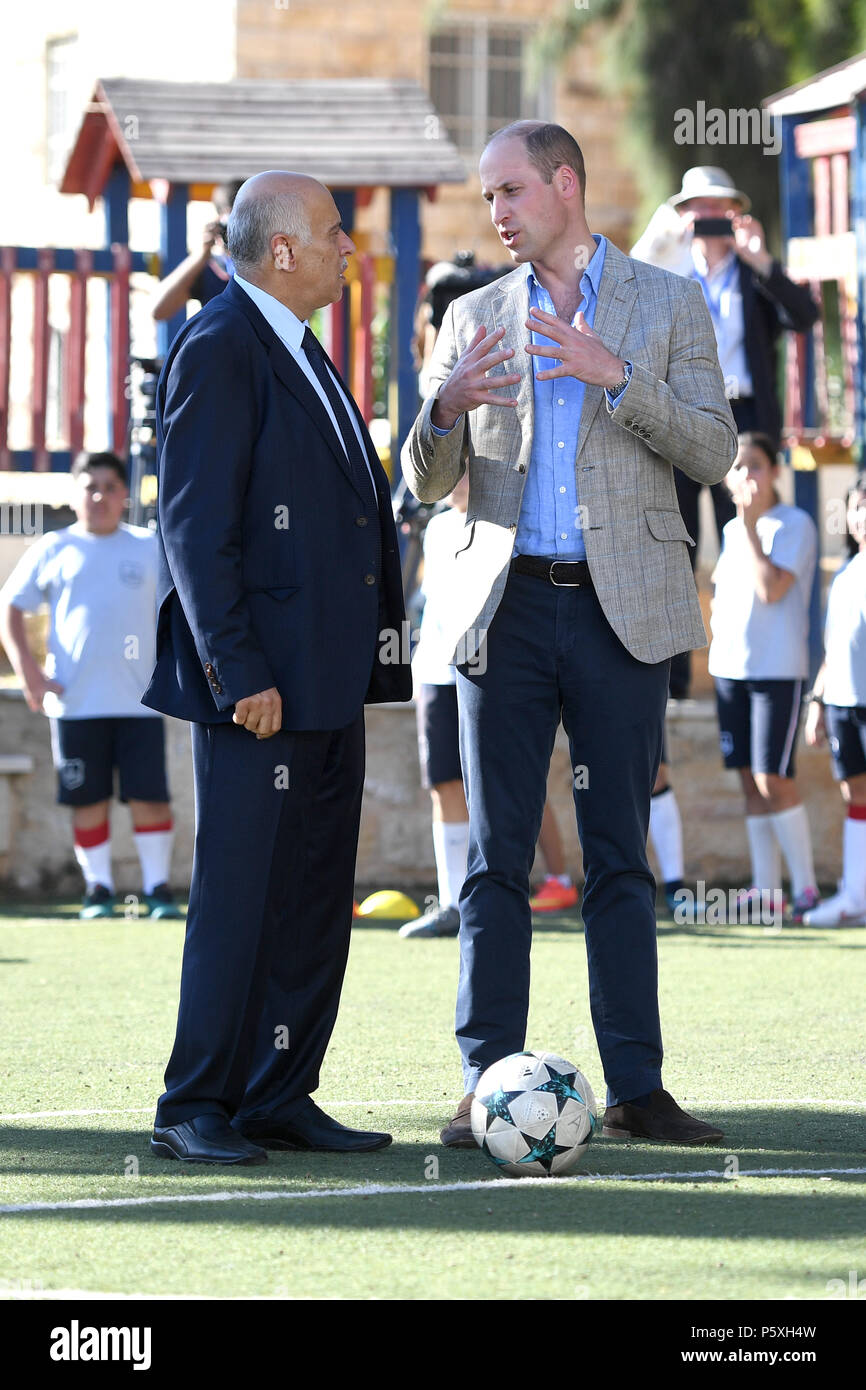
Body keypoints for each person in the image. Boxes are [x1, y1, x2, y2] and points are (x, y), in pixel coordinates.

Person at [402, 120, 737, 1148]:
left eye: (508, 191)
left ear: (563, 184)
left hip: (620, 610)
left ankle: (636, 1083)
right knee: (495, 857)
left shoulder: (667, 303)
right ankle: (481, 1078)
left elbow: (716, 449)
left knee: (617, 857)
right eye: (486, 196)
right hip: (500, 614)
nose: (493, 212)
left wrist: (615, 377)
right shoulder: (467, 316)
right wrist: (444, 409)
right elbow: (419, 481)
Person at [141, 170, 412, 1167]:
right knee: (242, 893)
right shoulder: (218, 344)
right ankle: (193, 1103)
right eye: (336, 231)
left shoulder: (302, 348)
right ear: (283, 250)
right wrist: (236, 670)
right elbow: (193, 528)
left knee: (308, 896)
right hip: (258, 692)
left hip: (325, 686)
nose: (351, 248)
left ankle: (275, 1092)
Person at [632, 167, 820, 697]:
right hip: (683, 415)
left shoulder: (751, 275)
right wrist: (662, 234)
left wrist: (762, 259)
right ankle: (672, 685)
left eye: (721, 210)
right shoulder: (667, 269)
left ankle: (754, 676)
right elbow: (616, 293)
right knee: (677, 544)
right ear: (684, 214)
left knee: (748, 534)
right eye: (699, 209)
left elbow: (805, 315)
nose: (710, 221)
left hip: (745, 425)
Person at [0, 451, 179, 919]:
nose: (99, 495)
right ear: (77, 493)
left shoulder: (150, 545)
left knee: (151, 798)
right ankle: (97, 891)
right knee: (87, 799)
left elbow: (183, 608)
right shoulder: (53, 547)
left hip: (142, 703)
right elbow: (9, 609)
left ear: (124, 494)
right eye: (90, 486)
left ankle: (157, 890)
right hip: (76, 704)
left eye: (109, 486)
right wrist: (29, 672)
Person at [403, 472, 577, 939]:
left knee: (517, 782)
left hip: (491, 669)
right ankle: (452, 901)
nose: (456, 480)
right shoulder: (437, 528)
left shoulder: (504, 525)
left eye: (464, 469)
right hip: (439, 670)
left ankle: (558, 880)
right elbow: (428, 601)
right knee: (443, 782)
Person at [708, 432, 818, 921]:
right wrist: (743, 526)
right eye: (737, 467)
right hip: (730, 670)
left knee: (773, 778)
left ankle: (808, 888)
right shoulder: (732, 531)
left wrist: (750, 526)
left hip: (777, 671)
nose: (746, 476)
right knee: (749, 783)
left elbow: (772, 590)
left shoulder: (794, 524)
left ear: (775, 471)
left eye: (754, 465)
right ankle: (767, 892)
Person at [803, 473, 866, 926]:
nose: (862, 517)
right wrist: (817, 703)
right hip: (844, 702)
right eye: (857, 507)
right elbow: (832, 647)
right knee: (854, 795)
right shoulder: (844, 574)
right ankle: (854, 895)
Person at [151, 182, 243, 323]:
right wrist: (202, 254)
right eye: (230, 225)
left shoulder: (270, 263)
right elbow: (159, 311)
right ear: (219, 223)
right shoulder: (213, 268)